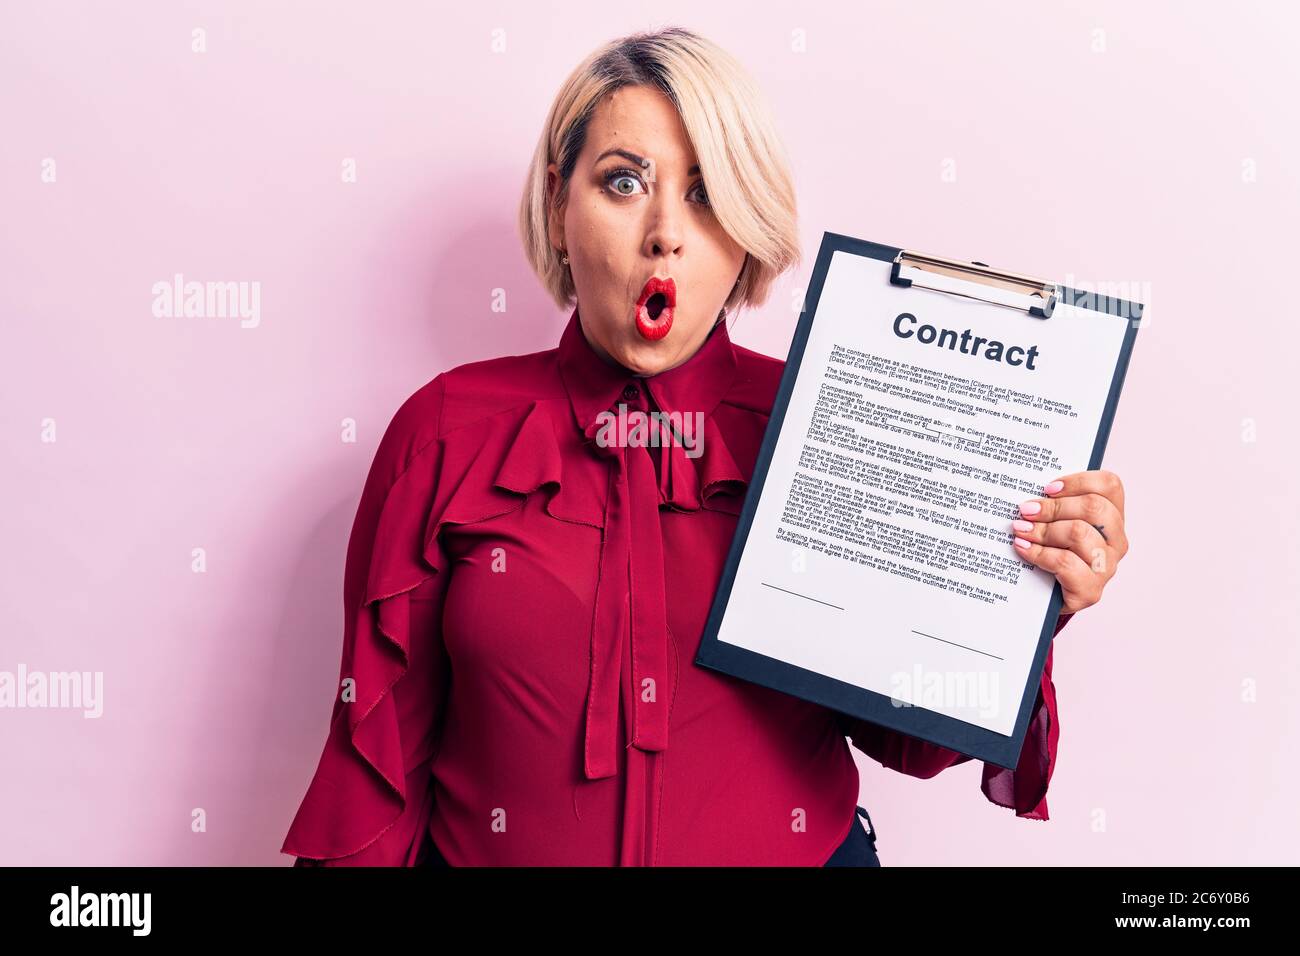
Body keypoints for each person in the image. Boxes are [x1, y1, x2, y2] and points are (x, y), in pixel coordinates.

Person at [281, 26, 1129, 867]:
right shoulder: (445, 432)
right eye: (623, 182)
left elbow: (909, 742)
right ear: (557, 202)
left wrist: (1028, 595)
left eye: (706, 193)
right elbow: (376, 773)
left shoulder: (824, 422)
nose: (666, 234)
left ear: (747, 227)